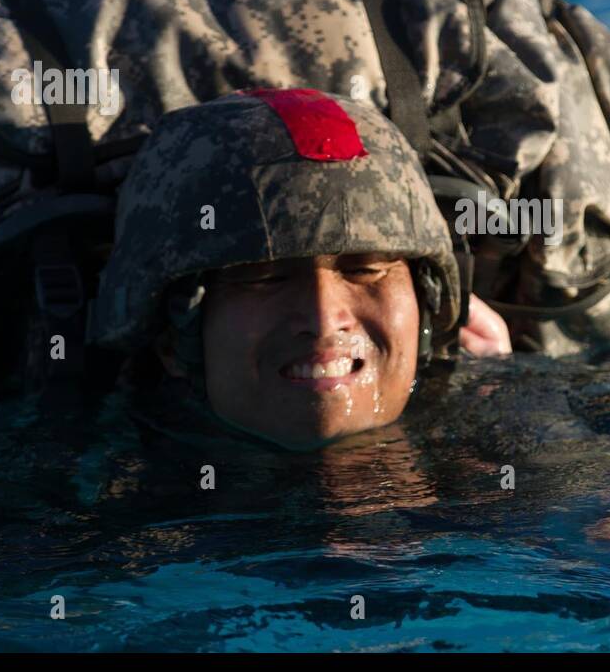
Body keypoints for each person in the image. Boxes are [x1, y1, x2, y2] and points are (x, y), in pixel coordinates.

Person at [91, 86, 509, 450]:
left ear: (426, 308)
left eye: (365, 271)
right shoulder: (87, 494)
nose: (324, 319)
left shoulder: (511, 456)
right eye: (265, 277)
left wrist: (495, 394)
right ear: (173, 336)